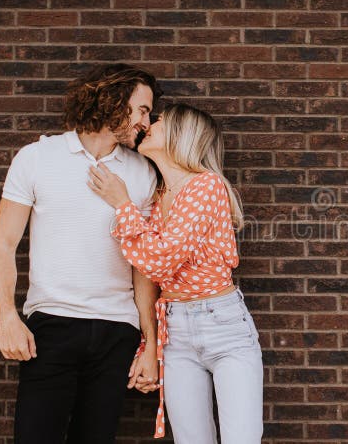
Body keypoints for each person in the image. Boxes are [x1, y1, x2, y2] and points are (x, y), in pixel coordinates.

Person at [0, 64, 163, 444]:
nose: (146, 123)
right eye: (143, 110)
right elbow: (4, 245)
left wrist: (149, 344)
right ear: (113, 100)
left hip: (117, 331)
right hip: (50, 327)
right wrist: (7, 317)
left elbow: (143, 267)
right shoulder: (36, 157)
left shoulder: (142, 172)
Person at [87, 103, 263, 443]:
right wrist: (150, 347)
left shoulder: (206, 186)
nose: (149, 124)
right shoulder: (157, 198)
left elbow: (160, 260)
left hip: (225, 328)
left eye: (159, 121)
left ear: (182, 135)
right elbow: (145, 274)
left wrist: (122, 203)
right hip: (176, 331)